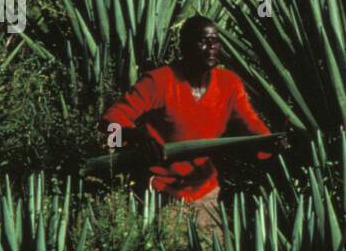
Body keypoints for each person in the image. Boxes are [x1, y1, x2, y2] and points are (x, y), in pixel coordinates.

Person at [98, 15, 282, 236]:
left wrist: (270, 142)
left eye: (215, 40)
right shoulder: (160, 81)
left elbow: (250, 122)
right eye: (203, 41)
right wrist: (135, 135)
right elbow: (110, 120)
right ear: (184, 46)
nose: (212, 47)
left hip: (205, 190)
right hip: (162, 191)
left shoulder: (228, 84)